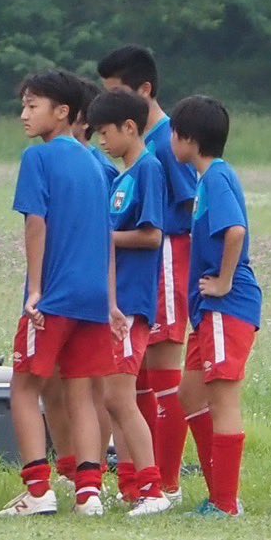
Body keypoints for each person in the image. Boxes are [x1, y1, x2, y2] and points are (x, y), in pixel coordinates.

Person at [0, 69, 119, 519]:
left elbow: (36, 224)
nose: (23, 115)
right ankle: (89, 494)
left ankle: (38, 489)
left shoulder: (38, 159)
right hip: (93, 298)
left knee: (24, 386)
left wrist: (35, 290)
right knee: (82, 392)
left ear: (63, 112)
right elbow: (107, 237)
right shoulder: (96, 164)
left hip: (54, 297)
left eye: (33, 106)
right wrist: (110, 300)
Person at [98, 44, 195, 499]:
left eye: (116, 93)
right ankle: (136, 480)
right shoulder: (129, 160)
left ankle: (167, 483)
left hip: (167, 261)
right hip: (137, 270)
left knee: (163, 373)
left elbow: (190, 206)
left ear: (144, 91)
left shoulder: (167, 143)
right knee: (132, 380)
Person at [171, 95, 261, 518]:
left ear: (189, 139)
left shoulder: (217, 177)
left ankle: (225, 503)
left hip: (228, 306)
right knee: (190, 393)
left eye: (174, 134)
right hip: (208, 312)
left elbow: (235, 231)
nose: (171, 141)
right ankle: (218, 492)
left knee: (223, 399)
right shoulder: (205, 180)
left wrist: (223, 281)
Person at [86, 88, 171, 516]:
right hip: (114, 300)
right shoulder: (122, 177)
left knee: (120, 398)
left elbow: (152, 235)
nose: (102, 141)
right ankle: (132, 485)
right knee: (111, 398)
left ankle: (154, 490)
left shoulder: (149, 169)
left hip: (132, 303)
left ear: (130, 128)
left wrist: (101, 237)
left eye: (106, 132)